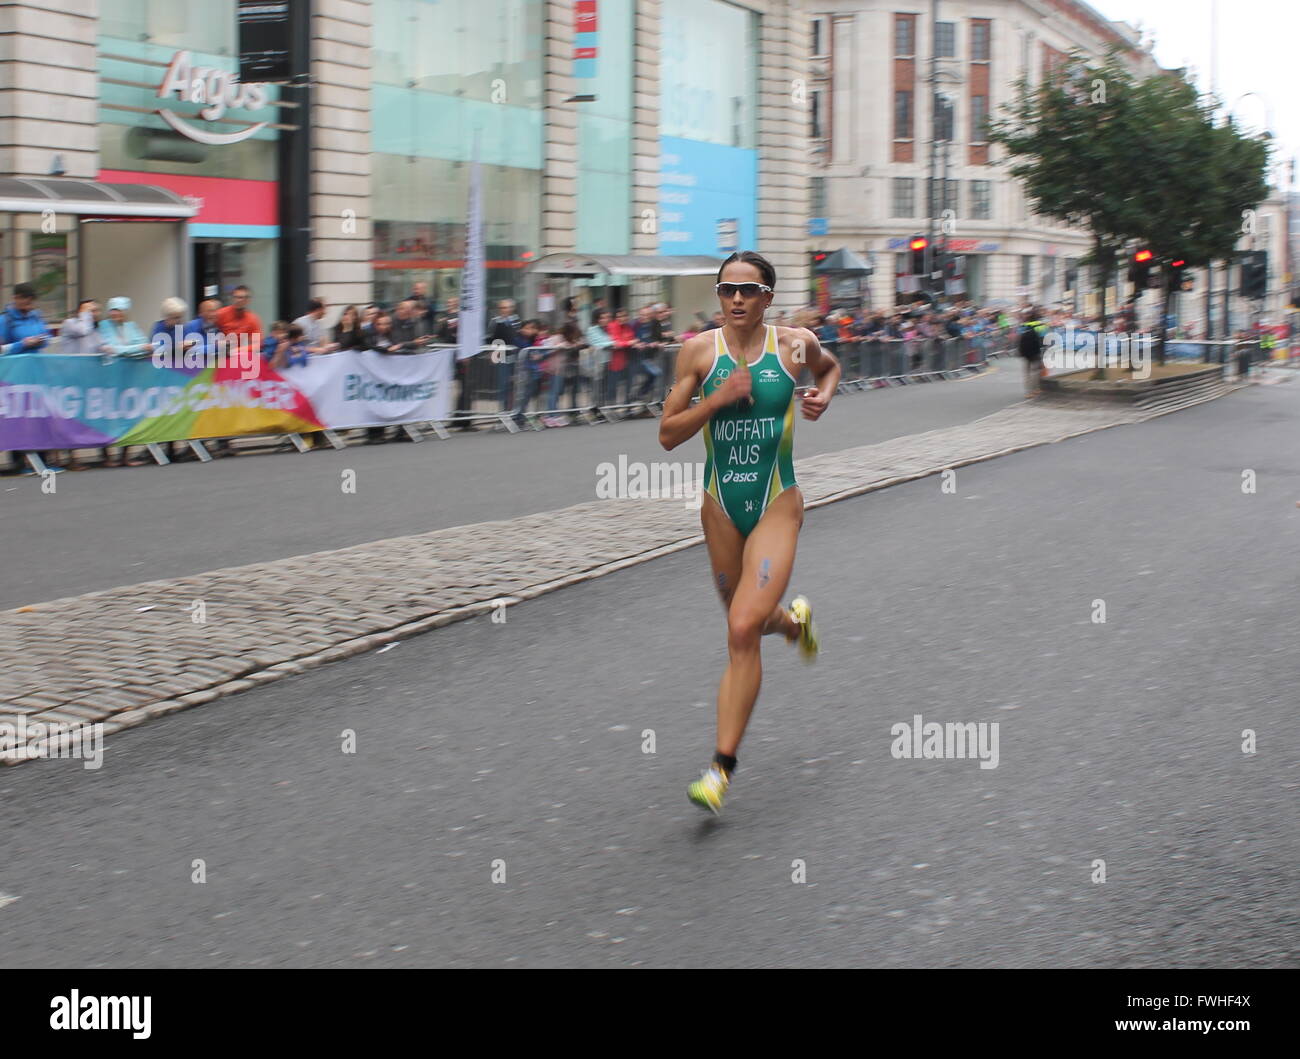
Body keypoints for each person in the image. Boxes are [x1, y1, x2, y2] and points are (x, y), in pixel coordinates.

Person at [658, 249, 840, 814]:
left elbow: (829, 368)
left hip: (775, 503)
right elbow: (666, 433)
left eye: (749, 290)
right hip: (719, 507)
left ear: (768, 297)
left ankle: (720, 769)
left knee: (740, 628)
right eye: (726, 289)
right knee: (752, 620)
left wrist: (823, 396)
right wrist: (715, 399)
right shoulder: (695, 352)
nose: (736, 299)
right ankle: (793, 625)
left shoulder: (793, 346)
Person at [1018, 307, 1046, 396]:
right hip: (1035, 351)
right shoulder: (1040, 325)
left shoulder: (1023, 326)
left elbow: (1019, 338)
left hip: (1025, 352)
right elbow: (1044, 338)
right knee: (1036, 371)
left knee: (1027, 372)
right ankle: (1036, 389)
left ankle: (1028, 392)